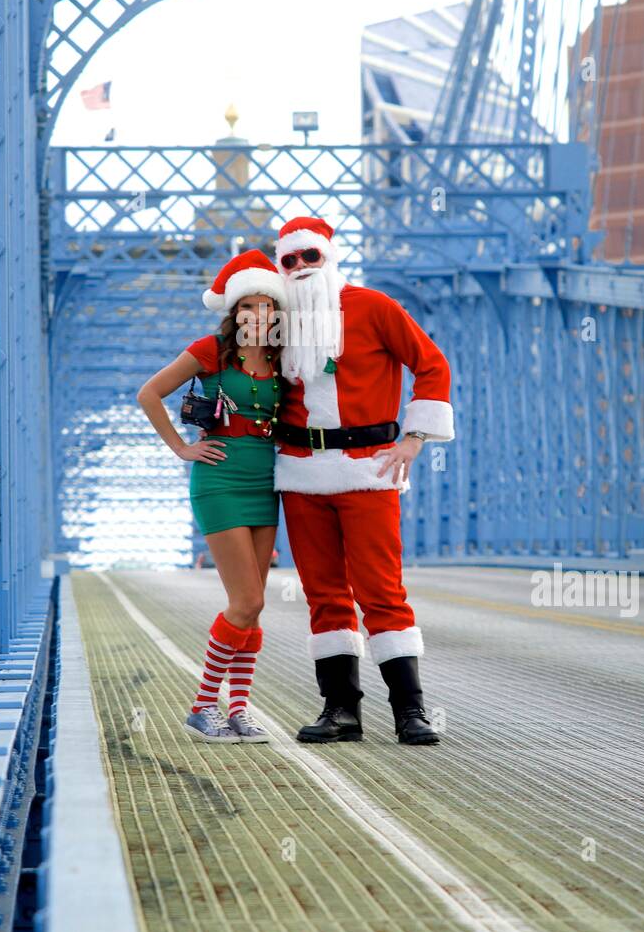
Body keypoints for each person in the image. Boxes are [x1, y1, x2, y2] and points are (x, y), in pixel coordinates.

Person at [271, 216, 455, 745]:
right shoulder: (276, 321)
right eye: (290, 261)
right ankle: (341, 711)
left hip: (368, 471)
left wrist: (415, 437)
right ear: (280, 268)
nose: (302, 268)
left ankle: (410, 711)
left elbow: (432, 364)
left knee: (381, 592)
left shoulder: (375, 308)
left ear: (328, 257)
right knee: (324, 595)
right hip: (302, 473)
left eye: (311, 257)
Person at [136, 249, 287, 744]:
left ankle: (239, 710)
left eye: (268, 306)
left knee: (255, 605)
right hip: (220, 481)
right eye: (249, 306)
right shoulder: (210, 352)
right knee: (243, 600)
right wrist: (182, 448)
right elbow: (149, 393)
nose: (258, 315)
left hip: (267, 483)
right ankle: (204, 707)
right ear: (234, 312)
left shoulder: (287, 357)